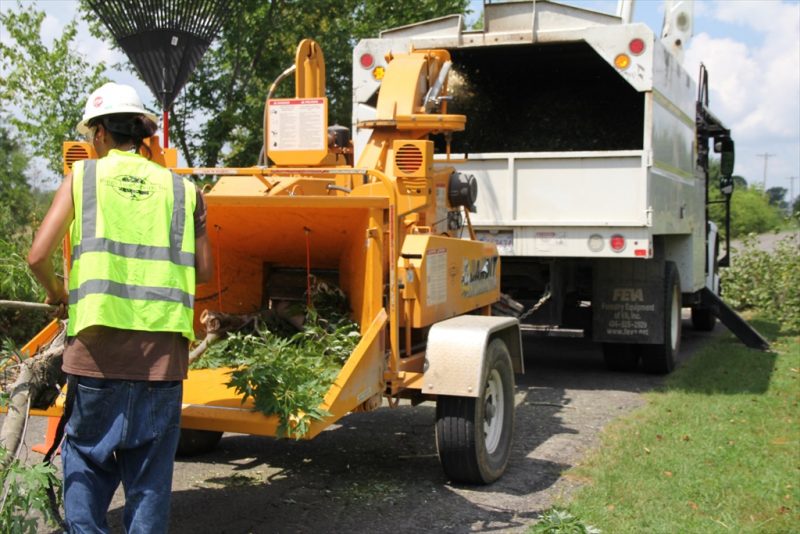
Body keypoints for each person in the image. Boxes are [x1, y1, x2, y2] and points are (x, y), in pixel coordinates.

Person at [27, 82, 213, 533]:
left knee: (86, 466)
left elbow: (36, 256)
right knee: (149, 482)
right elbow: (204, 271)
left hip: (96, 357)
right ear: (143, 135)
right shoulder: (184, 192)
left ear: (99, 135)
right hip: (163, 362)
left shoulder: (83, 179)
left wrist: (56, 291)